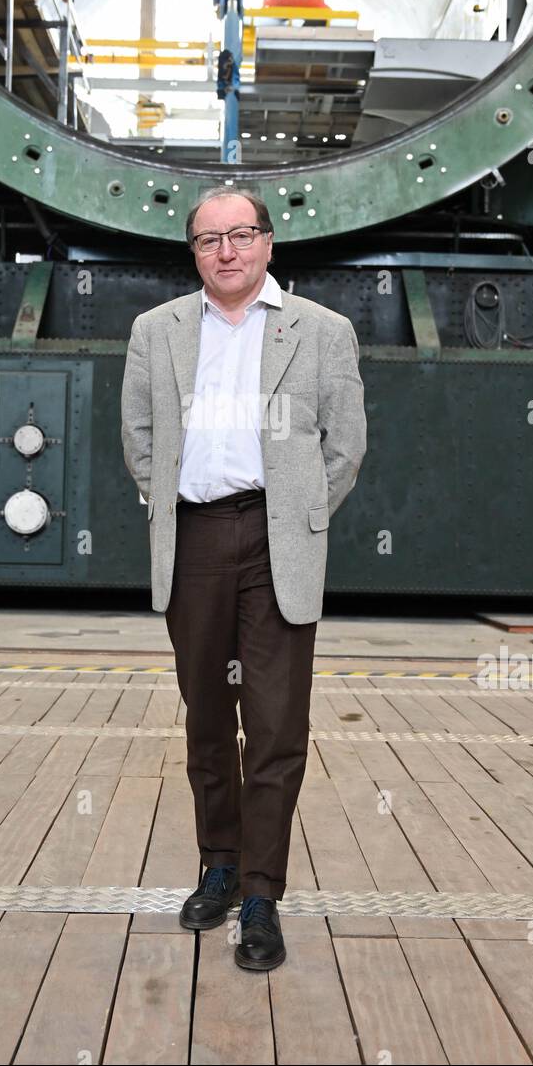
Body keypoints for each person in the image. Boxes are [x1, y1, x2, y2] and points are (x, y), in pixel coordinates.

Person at [120, 185, 367, 970]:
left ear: (268, 242)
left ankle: (261, 893)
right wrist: (174, 498)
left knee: (274, 724)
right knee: (204, 718)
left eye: (241, 235)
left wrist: (298, 513)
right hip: (193, 537)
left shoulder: (322, 332)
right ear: (193, 252)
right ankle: (219, 864)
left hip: (276, 543)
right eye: (208, 240)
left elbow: (346, 444)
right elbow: (139, 435)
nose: (226, 251)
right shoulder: (155, 331)